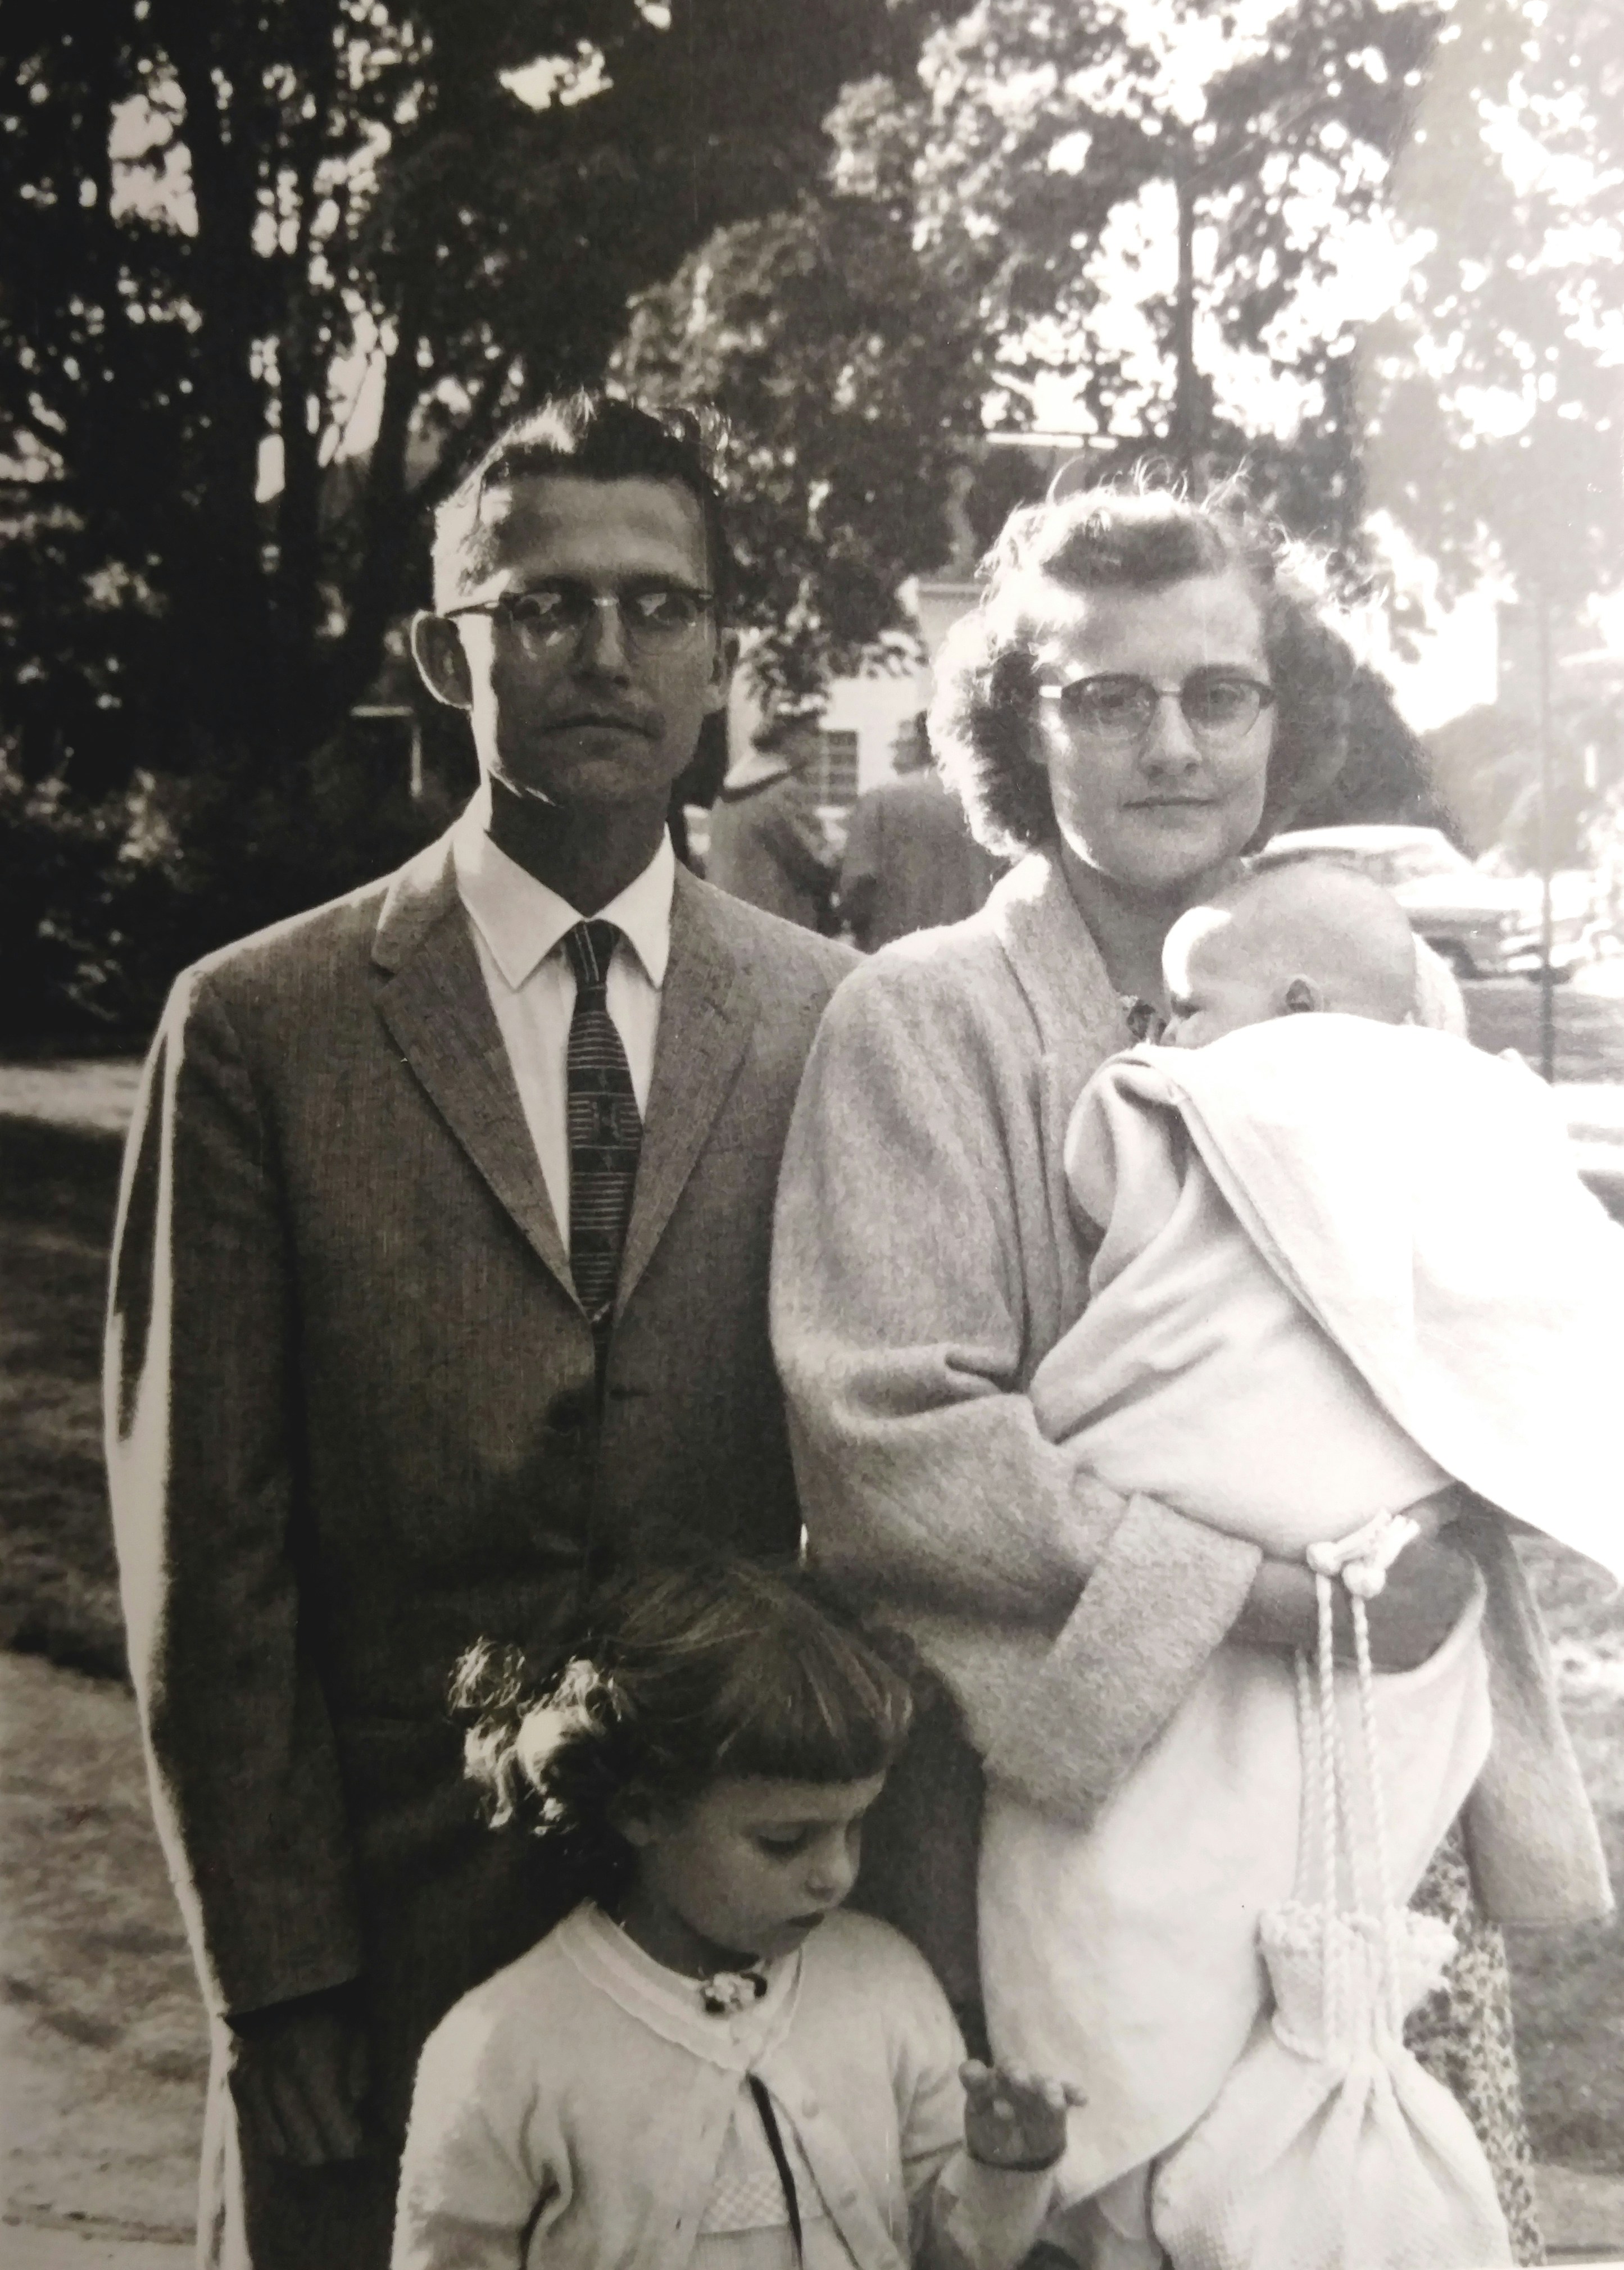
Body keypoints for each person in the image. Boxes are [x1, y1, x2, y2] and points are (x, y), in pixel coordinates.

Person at [771, 479, 1604, 2268]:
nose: (1173, 744)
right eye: (1108, 697)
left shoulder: (1385, 1001)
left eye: (1218, 692)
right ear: (1016, 725)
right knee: (1100, 2217)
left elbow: (1495, 1317)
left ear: (1275, 716)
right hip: (1060, 1801)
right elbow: (882, 1436)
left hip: (1372, 1809)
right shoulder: (925, 1016)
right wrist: (1254, 1585)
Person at [103, 393, 855, 2270]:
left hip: (743, 1950)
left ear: (722, 657)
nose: (607, 651)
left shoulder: (842, 1016)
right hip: (385, 1939)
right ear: (444, 653)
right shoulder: (263, 1025)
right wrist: (275, 1976)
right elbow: (208, 1541)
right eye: (544, 606)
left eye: (660, 605)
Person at [978, 860, 1616, 2262]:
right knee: (1315, 1861)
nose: (1161, 1039)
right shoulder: (1483, 1115)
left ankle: (1130, 2124)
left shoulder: (1224, 1091)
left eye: (1190, 1007)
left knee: (1140, 1869)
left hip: (1260, 1544)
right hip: (1368, 1578)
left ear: (1299, 1008)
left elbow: (1112, 1176)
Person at [393, 1554, 1081, 2270]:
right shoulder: (503, 2048)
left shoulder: (887, 1982)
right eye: (784, 1842)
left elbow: (953, 2257)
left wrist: (1002, 2172)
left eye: (855, 1826)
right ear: (643, 1812)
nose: (836, 1874)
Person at [838, 713, 1000, 952]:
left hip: (897, 952)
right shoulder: (987, 800)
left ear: (921, 743)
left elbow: (858, 886)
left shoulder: (880, 801)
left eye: (903, 742)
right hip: (974, 950)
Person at [708, 708, 837, 930]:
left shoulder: (732, 788)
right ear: (788, 737)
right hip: (774, 924)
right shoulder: (782, 791)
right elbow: (817, 864)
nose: (819, 744)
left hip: (729, 918)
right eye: (813, 733)